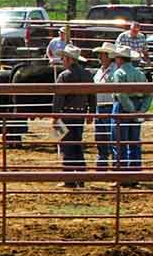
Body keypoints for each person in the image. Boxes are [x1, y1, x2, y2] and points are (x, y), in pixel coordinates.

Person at [52, 43, 95, 185]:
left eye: (64, 58)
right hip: (81, 113)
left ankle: (69, 178)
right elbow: (92, 95)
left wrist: (55, 116)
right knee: (77, 142)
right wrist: (92, 112)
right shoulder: (87, 74)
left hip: (67, 114)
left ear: (69, 59)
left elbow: (59, 98)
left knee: (67, 144)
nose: (63, 61)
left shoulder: (64, 75)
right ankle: (81, 177)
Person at [104, 45, 148, 174]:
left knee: (119, 141)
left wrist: (131, 110)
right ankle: (134, 172)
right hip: (138, 105)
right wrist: (141, 110)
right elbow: (149, 93)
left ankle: (121, 173)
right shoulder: (140, 73)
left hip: (122, 108)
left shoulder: (119, 73)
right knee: (134, 141)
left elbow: (121, 94)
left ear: (119, 59)